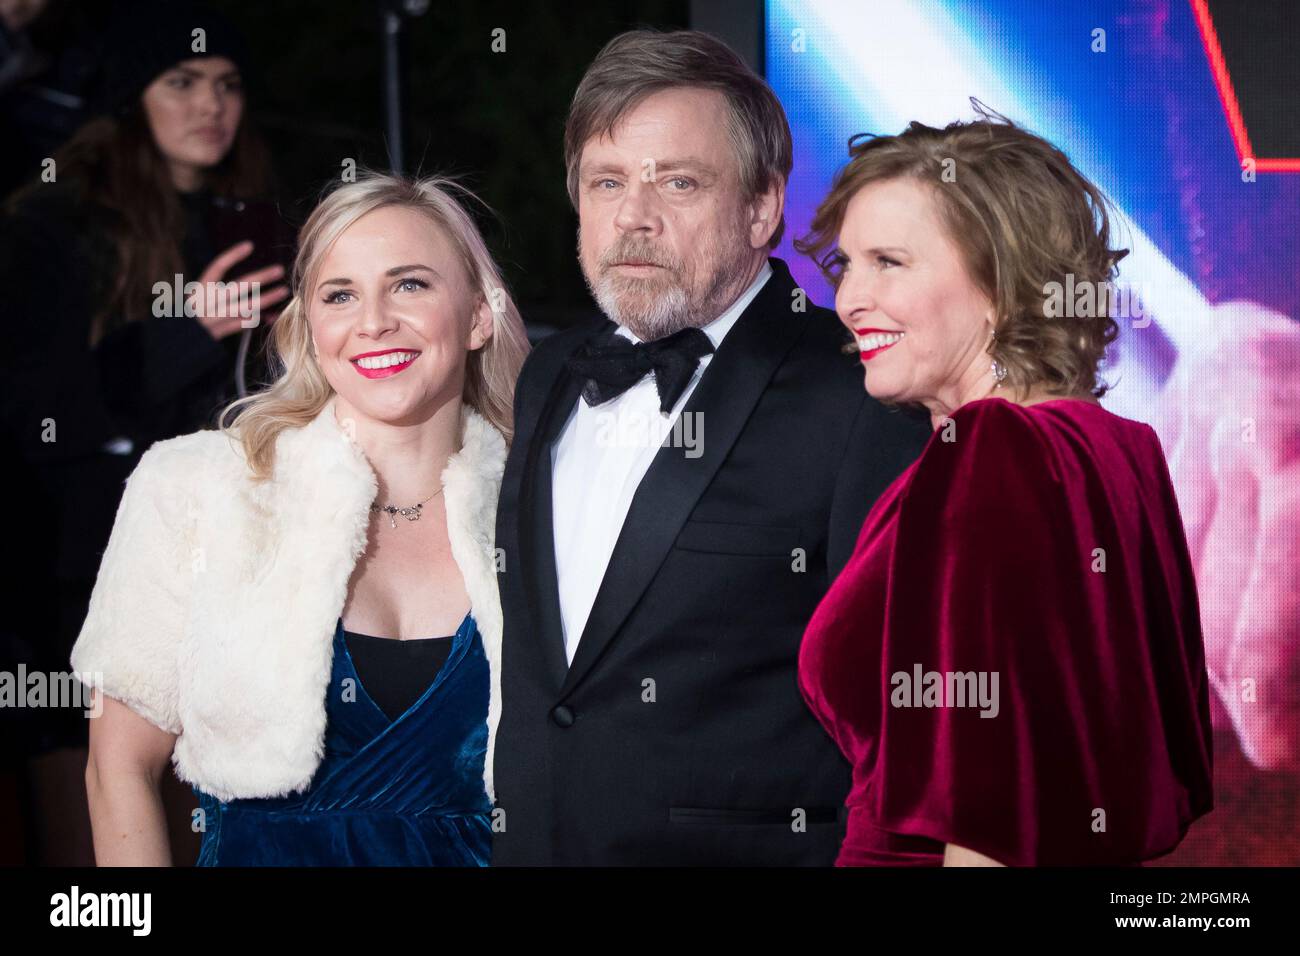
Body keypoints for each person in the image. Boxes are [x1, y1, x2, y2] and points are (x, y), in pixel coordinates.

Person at [490, 29, 930, 866]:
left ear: (763, 208)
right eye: (607, 182)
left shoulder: (863, 394)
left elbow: (902, 725)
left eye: (679, 183)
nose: (634, 216)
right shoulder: (549, 372)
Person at [69, 171, 530, 865]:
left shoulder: (541, 506)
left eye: (410, 284)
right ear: (312, 330)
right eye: (340, 294)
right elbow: (117, 770)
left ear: (477, 315)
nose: (373, 320)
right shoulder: (200, 486)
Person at [794, 111, 1214, 866]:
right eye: (845, 266)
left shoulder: (993, 453)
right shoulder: (1121, 448)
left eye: (889, 261)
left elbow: (992, 819)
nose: (850, 300)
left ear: (1001, 281)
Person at [0, 0, 285, 865]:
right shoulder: (54, 221)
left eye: (228, 84)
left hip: (226, 578)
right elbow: (37, 411)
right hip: (76, 587)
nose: (211, 105)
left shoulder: (251, 217)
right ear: (134, 96)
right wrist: (182, 331)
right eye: (184, 81)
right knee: (98, 855)